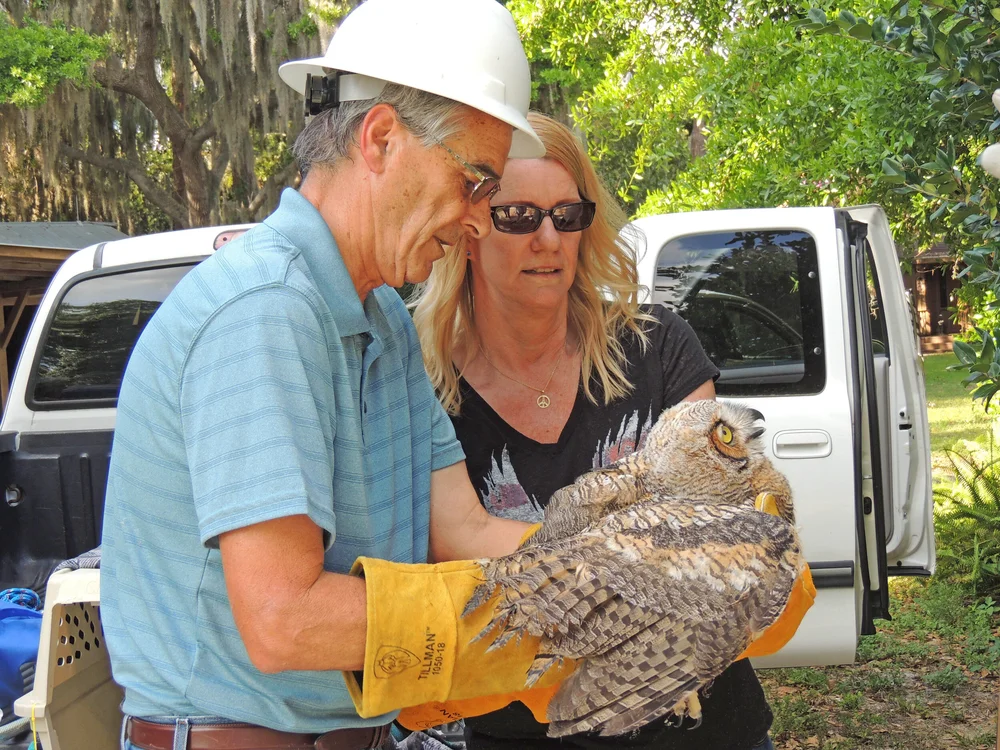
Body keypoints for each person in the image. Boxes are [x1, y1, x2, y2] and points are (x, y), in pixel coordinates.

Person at [99, 2, 561, 749]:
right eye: (476, 180)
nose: (479, 220)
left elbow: (464, 530)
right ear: (381, 138)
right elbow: (285, 620)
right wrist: (543, 605)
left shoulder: (381, 319)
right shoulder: (267, 311)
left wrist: (628, 565)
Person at [411, 111, 776, 750]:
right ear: (468, 228)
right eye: (518, 216)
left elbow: (718, 546)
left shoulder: (658, 347)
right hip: (521, 730)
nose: (548, 239)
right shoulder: (428, 393)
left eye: (567, 215)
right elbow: (444, 565)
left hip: (704, 728)